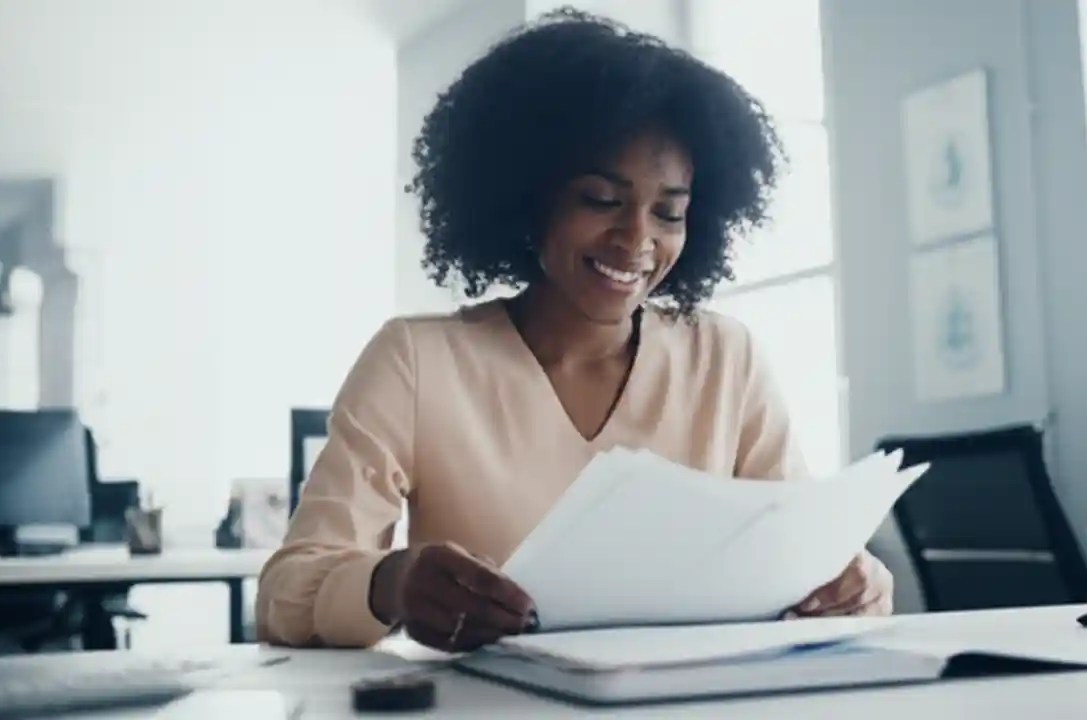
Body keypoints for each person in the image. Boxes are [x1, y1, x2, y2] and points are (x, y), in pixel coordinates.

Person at [257, 8, 892, 652]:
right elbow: (286, 595)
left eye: (669, 213)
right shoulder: (417, 361)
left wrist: (855, 584)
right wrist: (389, 583)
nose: (637, 240)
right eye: (601, 201)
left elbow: (813, 559)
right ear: (529, 197)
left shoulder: (725, 358)